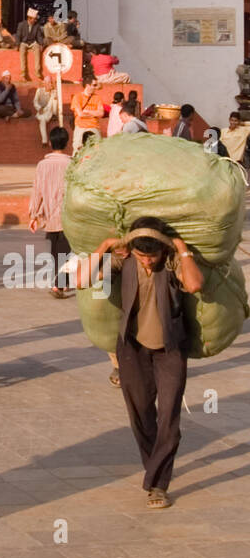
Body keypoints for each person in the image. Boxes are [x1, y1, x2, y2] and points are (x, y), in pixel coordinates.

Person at [71, 218, 203, 509]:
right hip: (132, 349)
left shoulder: (171, 263)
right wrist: (105, 246)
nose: (147, 261)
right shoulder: (125, 263)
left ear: (163, 250)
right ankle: (155, 467)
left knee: (168, 416)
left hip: (170, 350)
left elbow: (194, 285)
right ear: (132, 249)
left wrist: (180, 248)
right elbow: (80, 280)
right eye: (142, 255)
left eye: (152, 255)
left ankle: (157, 484)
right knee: (141, 415)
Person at [28, 127, 73, 299]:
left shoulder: (42, 165)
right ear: (67, 143)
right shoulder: (71, 164)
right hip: (68, 214)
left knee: (57, 250)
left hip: (50, 213)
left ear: (50, 143)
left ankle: (61, 282)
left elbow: (37, 190)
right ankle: (60, 283)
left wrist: (34, 215)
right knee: (65, 250)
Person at [71, 80, 105, 152]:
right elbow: (80, 114)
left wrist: (87, 112)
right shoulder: (77, 97)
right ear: (87, 85)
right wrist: (94, 114)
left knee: (97, 152)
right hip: (81, 127)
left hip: (94, 127)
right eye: (94, 85)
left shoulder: (97, 98)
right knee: (77, 150)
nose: (96, 87)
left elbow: (101, 113)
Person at [15, 7, 44, 81]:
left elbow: (39, 36)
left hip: (33, 42)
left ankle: (37, 72)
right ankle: (23, 73)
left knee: (37, 49)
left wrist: (41, 44)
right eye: (34, 19)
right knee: (22, 52)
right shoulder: (21, 24)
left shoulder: (37, 26)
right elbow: (18, 35)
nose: (35, 20)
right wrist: (17, 45)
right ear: (29, 18)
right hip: (24, 43)